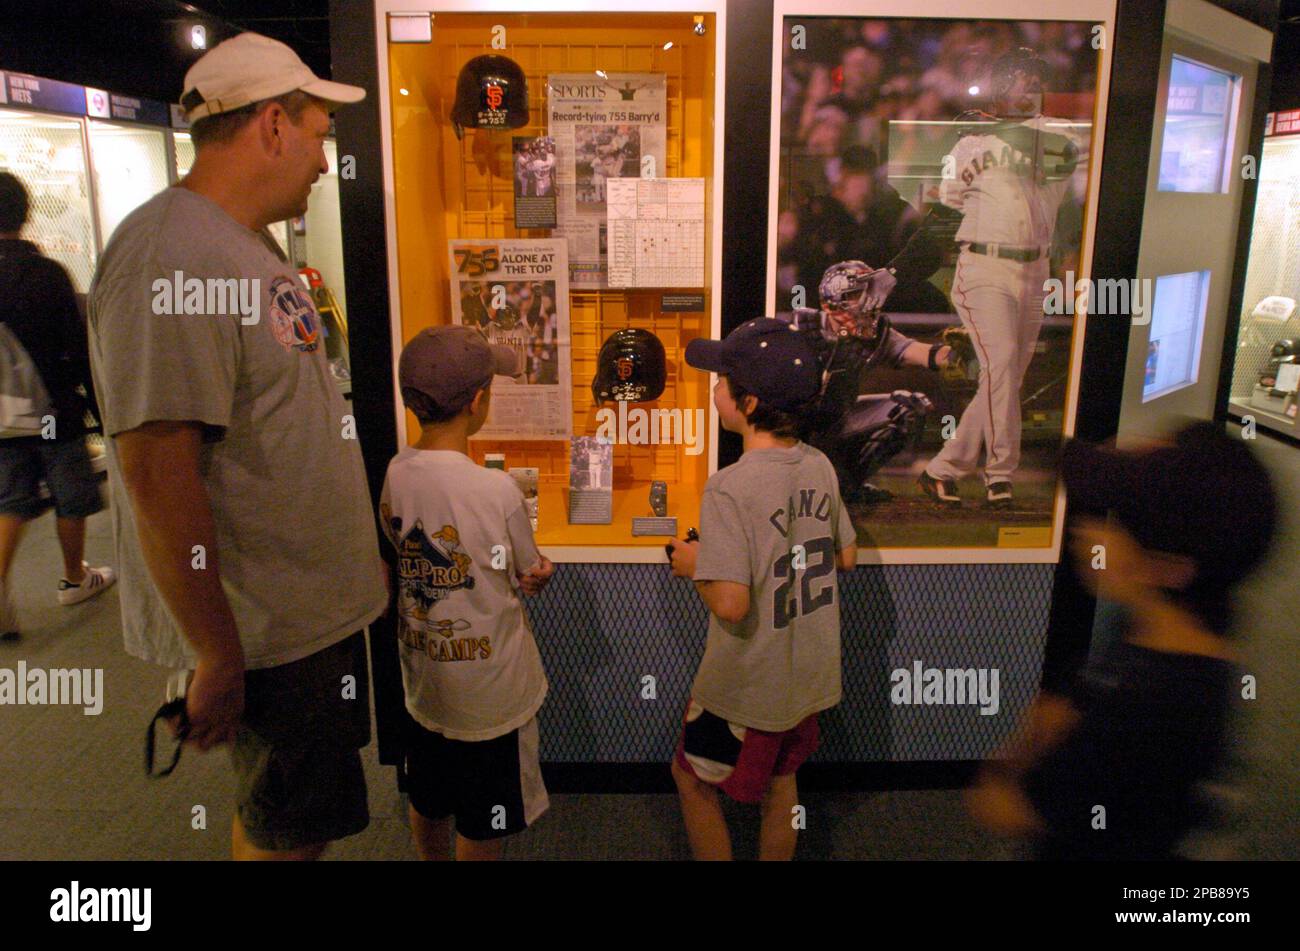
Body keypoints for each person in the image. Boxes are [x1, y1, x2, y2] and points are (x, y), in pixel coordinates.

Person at [86, 33, 386, 860]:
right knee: (284, 825)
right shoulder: (167, 258)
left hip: (297, 618)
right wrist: (216, 650)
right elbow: (156, 472)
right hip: (262, 629)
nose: (326, 161)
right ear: (274, 126)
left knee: (294, 817)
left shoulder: (241, 245)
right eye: (322, 133)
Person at [966, 421, 1277, 860]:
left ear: (1167, 568)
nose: (1085, 529)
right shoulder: (1197, 641)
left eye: (1110, 517)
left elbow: (1000, 809)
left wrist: (1008, 764)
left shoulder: (1139, 709)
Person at [667, 318, 857, 860]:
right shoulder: (819, 465)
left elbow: (731, 602)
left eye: (722, 380)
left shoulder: (729, 486)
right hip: (806, 681)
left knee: (693, 782)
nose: (713, 388)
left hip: (745, 690)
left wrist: (694, 565)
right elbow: (847, 555)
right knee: (782, 789)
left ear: (747, 404)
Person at [381, 325, 555, 861]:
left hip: (427, 683)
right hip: (491, 696)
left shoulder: (396, 472)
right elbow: (527, 568)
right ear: (479, 401)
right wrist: (540, 571)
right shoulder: (495, 489)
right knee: (484, 822)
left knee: (429, 799)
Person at [918, 48, 1082, 509]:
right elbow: (946, 209)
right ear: (999, 86)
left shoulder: (1057, 132)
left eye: (1035, 79)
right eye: (1020, 78)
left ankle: (942, 469)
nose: (1031, 85)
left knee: (1004, 377)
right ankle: (999, 477)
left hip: (1035, 269)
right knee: (1004, 365)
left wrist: (992, 126)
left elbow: (1054, 162)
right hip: (982, 265)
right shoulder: (967, 144)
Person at [0, 171, 115, 640]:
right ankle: (73, 576)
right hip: (55, 413)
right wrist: (101, 408)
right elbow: (78, 344)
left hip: (4, 416)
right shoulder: (46, 274)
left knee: (11, 499)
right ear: (25, 214)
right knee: (71, 494)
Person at [787, 259, 976, 505]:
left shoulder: (879, 336)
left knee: (909, 407)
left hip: (837, 421)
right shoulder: (799, 326)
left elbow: (926, 354)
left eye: (868, 292)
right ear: (832, 299)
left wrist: (960, 350)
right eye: (857, 294)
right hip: (794, 427)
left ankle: (847, 485)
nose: (867, 300)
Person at [790, 146, 948, 315]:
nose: (845, 185)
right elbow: (808, 275)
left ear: (871, 179)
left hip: (896, 309)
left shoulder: (894, 213)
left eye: (855, 176)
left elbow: (929, 253)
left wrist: (892, 274)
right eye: (845, 177)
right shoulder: (827, 219)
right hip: (842, 313)